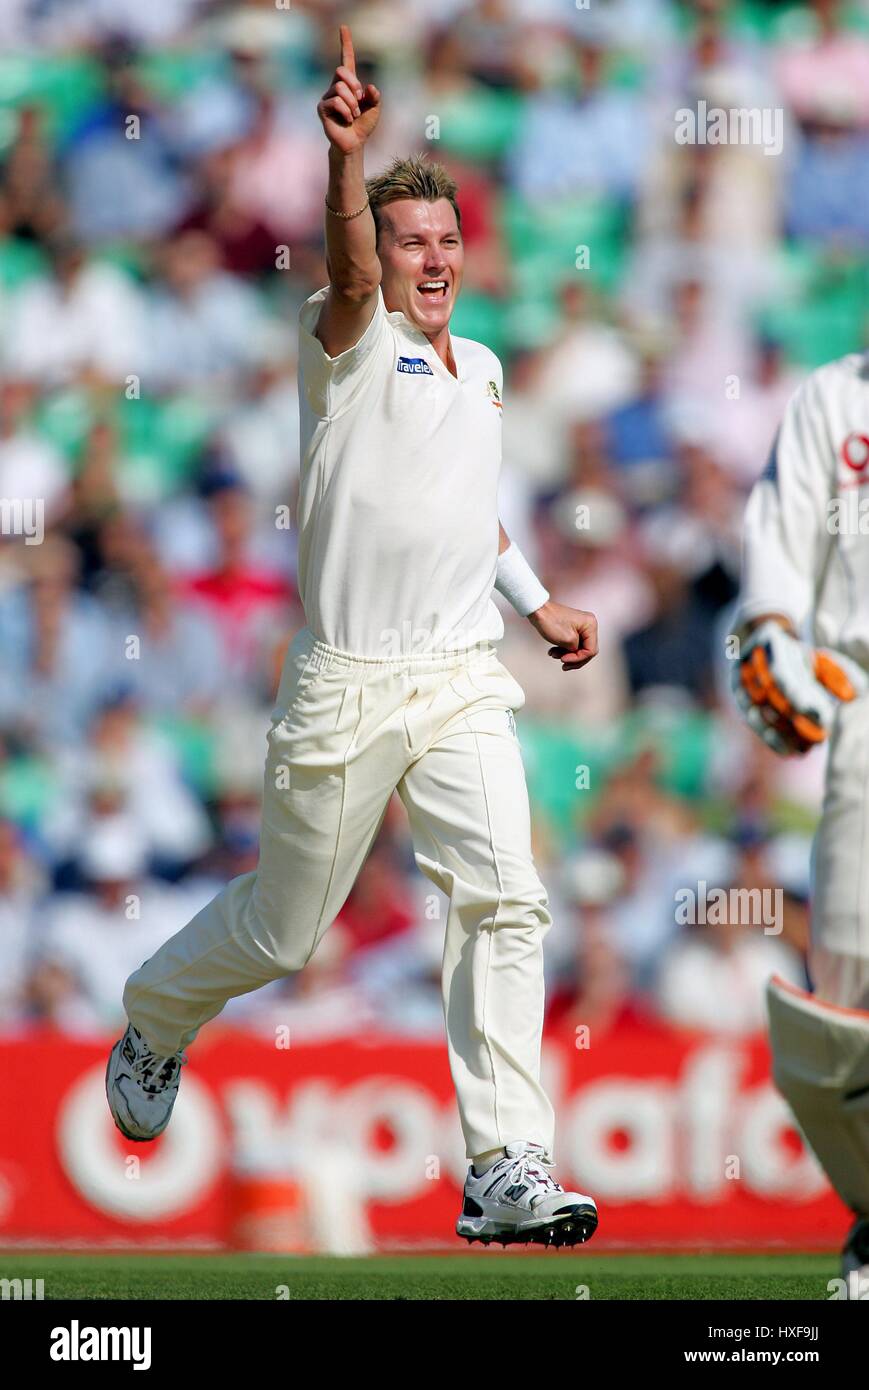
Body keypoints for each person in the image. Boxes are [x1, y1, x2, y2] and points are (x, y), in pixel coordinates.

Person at [106, 25, 600, 1250]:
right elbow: (345, 263)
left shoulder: (480, 368)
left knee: (505, 899)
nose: (428, 258)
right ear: (373, 258)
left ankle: (503, 1162)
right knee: (284, 930)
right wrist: (349, 162)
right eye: (405, 241)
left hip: (457, 678)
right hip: (341, 679)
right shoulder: (346, 341)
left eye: (444, 240)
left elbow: (463, 512)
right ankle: (156, 1016)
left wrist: (534, 602)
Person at [731, 346, 869, 1296]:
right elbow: (780, 543)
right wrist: (775, 634)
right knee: (851, 984)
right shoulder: (835, 396)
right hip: (864, 701)